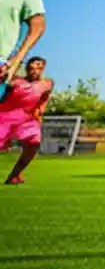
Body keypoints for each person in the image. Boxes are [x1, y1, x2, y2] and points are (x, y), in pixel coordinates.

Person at [0, 57, 53, 185]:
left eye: (38, 68)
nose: (34, 71)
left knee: (34, 143)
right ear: (26, 69)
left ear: (43, 69)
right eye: (31, 68)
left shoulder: (47, 84)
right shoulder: (15, 81)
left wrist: (41, 108)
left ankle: (14, 175)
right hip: (5, 117)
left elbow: (45, 96)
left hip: (26, 119)